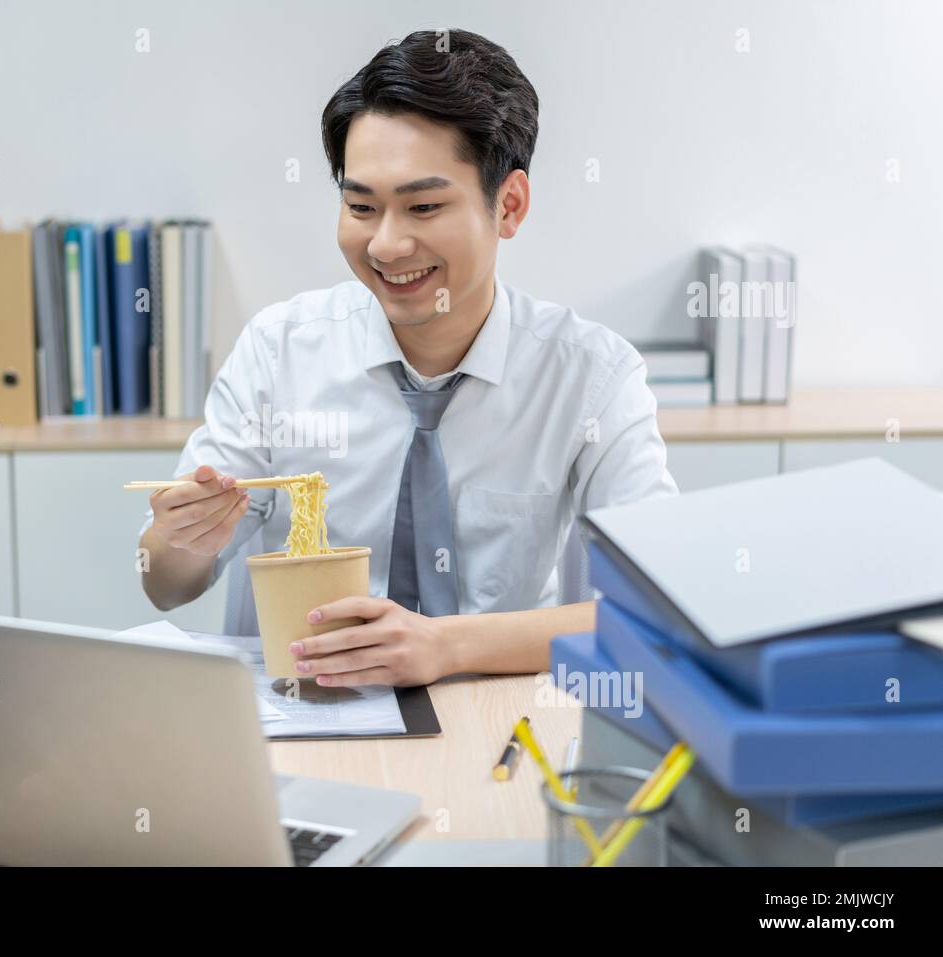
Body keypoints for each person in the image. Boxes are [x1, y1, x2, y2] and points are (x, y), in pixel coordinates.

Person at [138, 28, 677, 687]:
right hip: (298, 716)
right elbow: (166, 588)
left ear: (508, 205)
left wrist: (446, 645)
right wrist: (174, 542)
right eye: (360, 206)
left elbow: (656, 611)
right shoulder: (278, 353)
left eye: (423, 206)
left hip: (496, 726)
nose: (388, 245)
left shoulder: (591, 377)